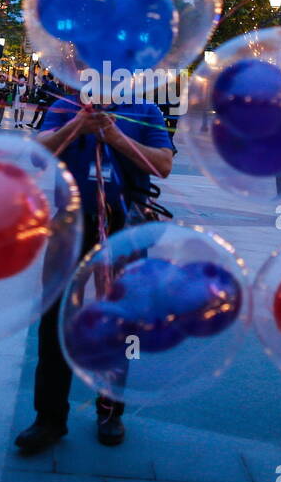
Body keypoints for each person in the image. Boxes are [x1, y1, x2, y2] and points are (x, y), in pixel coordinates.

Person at [13, 90, 174, 455]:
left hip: (125, 228)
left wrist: (115, 136)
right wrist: (77, 126)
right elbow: (38, 157)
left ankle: (110, 410)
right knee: (56, 319)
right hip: (70, 226)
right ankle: (49, 418)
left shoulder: (144, 109)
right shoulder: (64, 106)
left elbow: (162, 165)